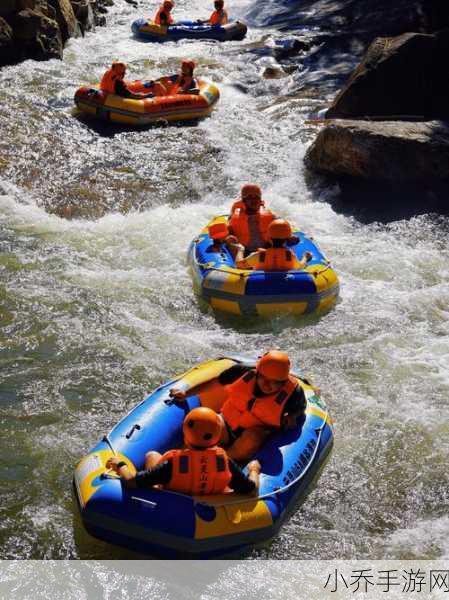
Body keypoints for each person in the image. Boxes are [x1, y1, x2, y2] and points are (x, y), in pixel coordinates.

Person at [170, 351, 307, 463]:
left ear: (283, 382)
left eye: (274, 382)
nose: (267, 385)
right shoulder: (243, 371)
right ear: (257, 372)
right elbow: (216, 382)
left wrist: (292, 416)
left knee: (252, 437)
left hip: (251, 439)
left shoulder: (293, 393)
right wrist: (187, 392)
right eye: (263, 378)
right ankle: (182, 459)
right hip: (225, 424)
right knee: (202, 421)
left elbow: (301, 408)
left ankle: (222, 462)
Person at [106, 407, 261, 495]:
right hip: (210, 505)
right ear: (218, 437)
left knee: (152, 456)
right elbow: (250, 489)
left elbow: (131, 481)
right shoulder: (225, 462)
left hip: (170, 505)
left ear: (186, 437)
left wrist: (120, 465)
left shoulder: (173, 464)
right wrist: (254, 470)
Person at [235, 219, 313, 271]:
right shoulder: (290, 256)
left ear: (269, 238)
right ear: (288, 239)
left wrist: (240, 250)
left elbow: (240, 265)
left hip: (260, 288)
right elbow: (299, 267)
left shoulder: (260, 255)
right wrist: (305, 258)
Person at [227, 184, 276, 255]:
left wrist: (289, 237)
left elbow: (281, 227)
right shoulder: (235, 216)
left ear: (260, 200)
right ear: (244, 200)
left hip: (265, 250)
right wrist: (228, 239)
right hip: (242, 252)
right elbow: (227, 233)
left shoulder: (269, 215)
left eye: (256, 197)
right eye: (249, 197)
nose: (254, 200)